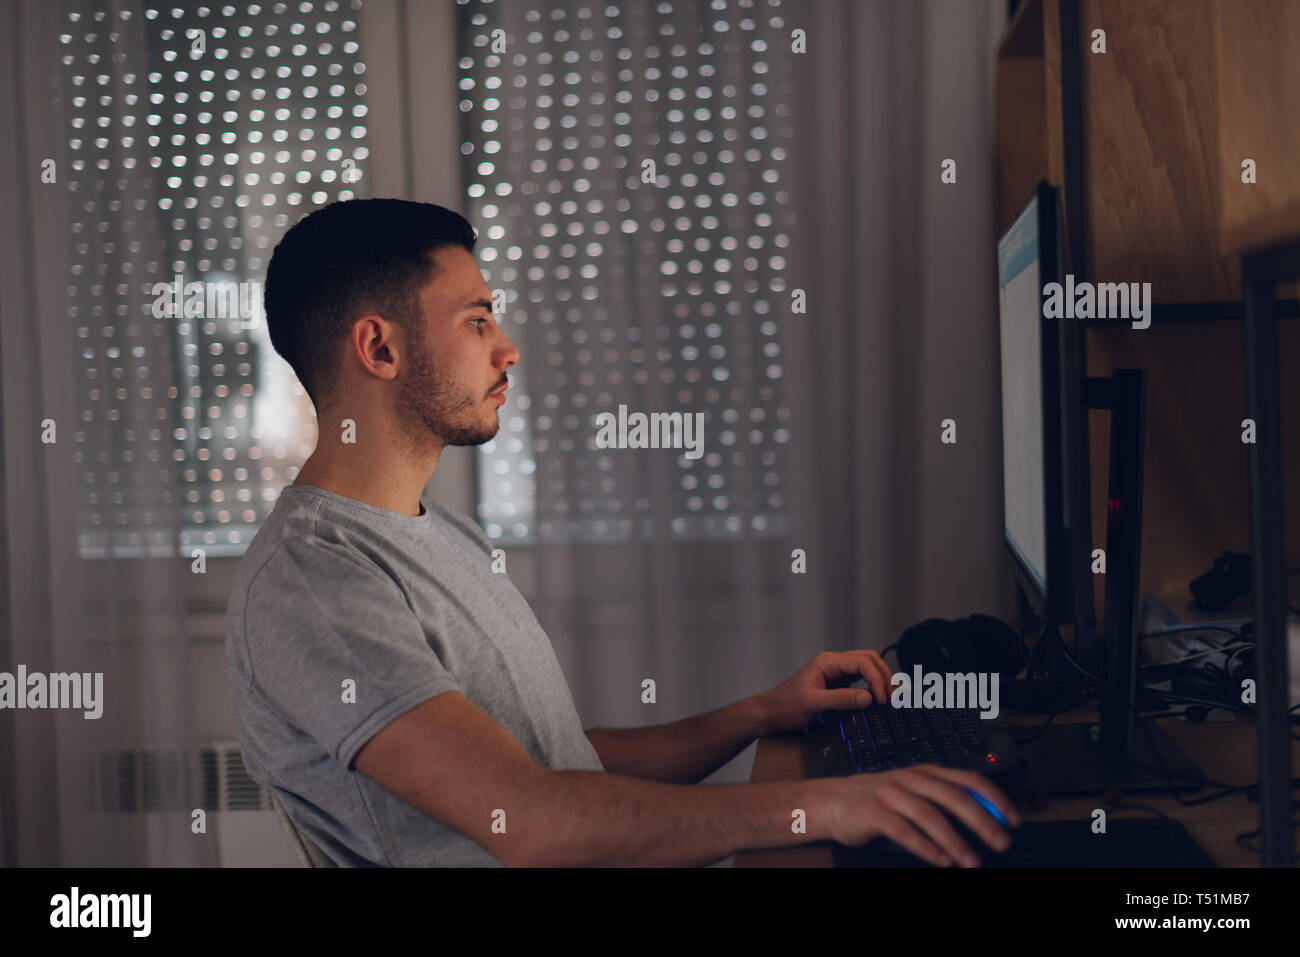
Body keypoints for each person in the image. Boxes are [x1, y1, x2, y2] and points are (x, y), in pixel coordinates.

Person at [226, 198, 1019, 867]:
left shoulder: (439, 532)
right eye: (476, 320)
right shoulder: (316, 581)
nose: (506, 349)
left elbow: (557, 758)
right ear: (380, 347)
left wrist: (760, 714)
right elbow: (528, 817)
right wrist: (831, 806)